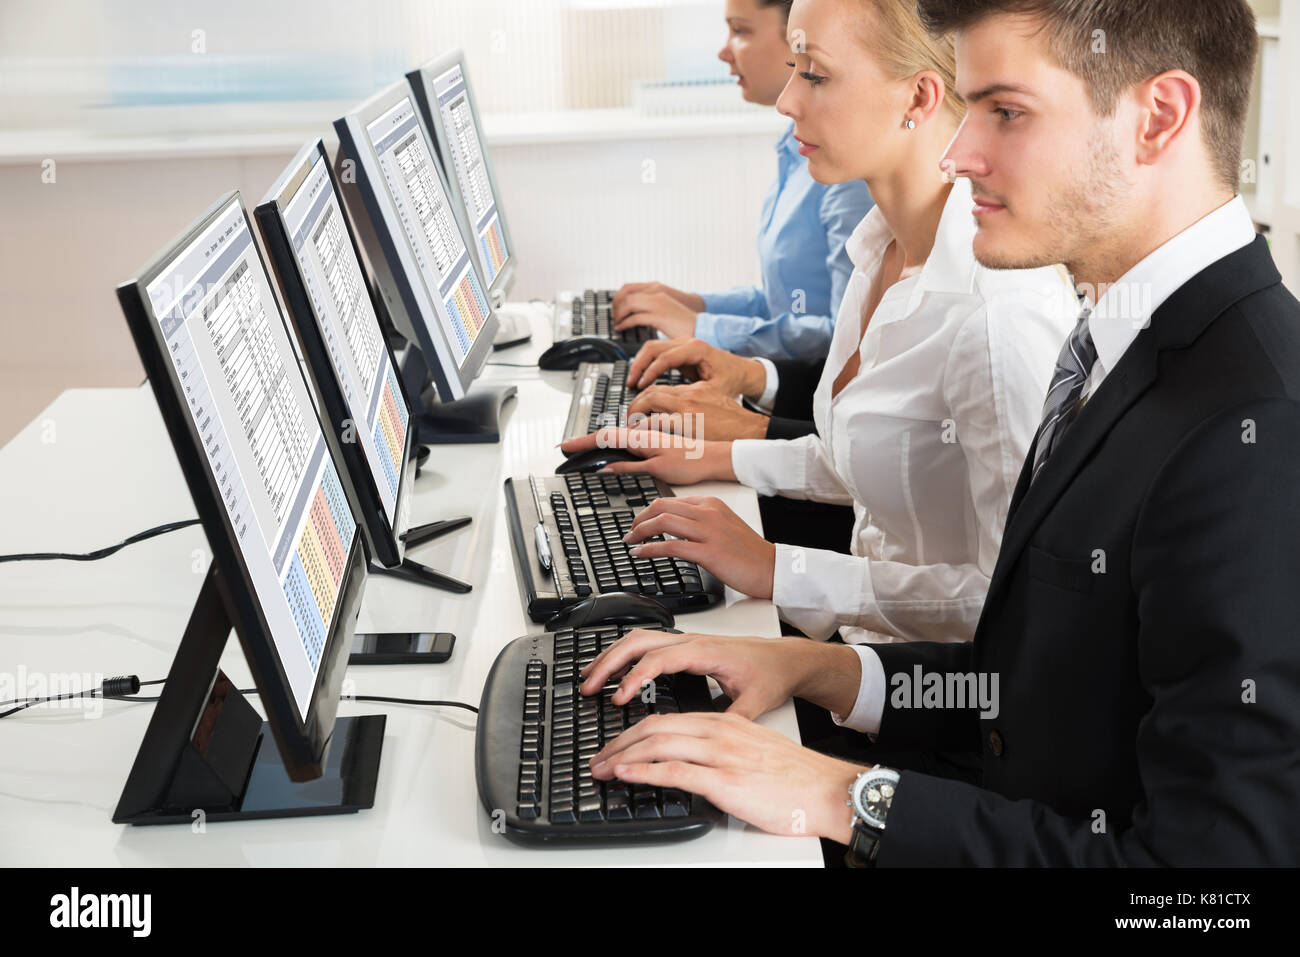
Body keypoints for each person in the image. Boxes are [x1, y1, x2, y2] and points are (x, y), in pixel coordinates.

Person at [578, 0, 1300, 865]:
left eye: (1006, 111)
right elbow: (1031, 689)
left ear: (1159, 117)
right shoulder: (1115, 334)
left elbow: (1208, 895)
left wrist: (847, 796)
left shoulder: (1252, 425)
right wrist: (821, 673)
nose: (959, 154)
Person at [564, 0, 1075, 650]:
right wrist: (712, 457)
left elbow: (1009, 600)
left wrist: (780, 568)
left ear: (917, 97)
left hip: (937, 716)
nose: (787, 102)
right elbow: (864, 456)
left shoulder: (994, 316)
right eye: (795, 68)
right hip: (862, 660)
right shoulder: (879, 250)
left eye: (816, 75)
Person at [607, 0, 873, 359]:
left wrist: (699, 328)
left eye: (741, 30)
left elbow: (843, 340)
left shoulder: (848, 172)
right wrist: (694, 306)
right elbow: (787, 307)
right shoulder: (792, 149)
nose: (723, 51)